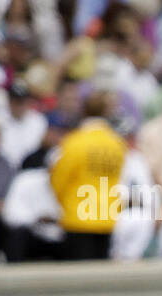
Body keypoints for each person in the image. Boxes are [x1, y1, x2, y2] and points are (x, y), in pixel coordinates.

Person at [49, 92, 126, 260]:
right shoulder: (117, 144)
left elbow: (58, 180)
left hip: (78, 217)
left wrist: (65, 203)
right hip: (107, 215)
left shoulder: (74, 142)